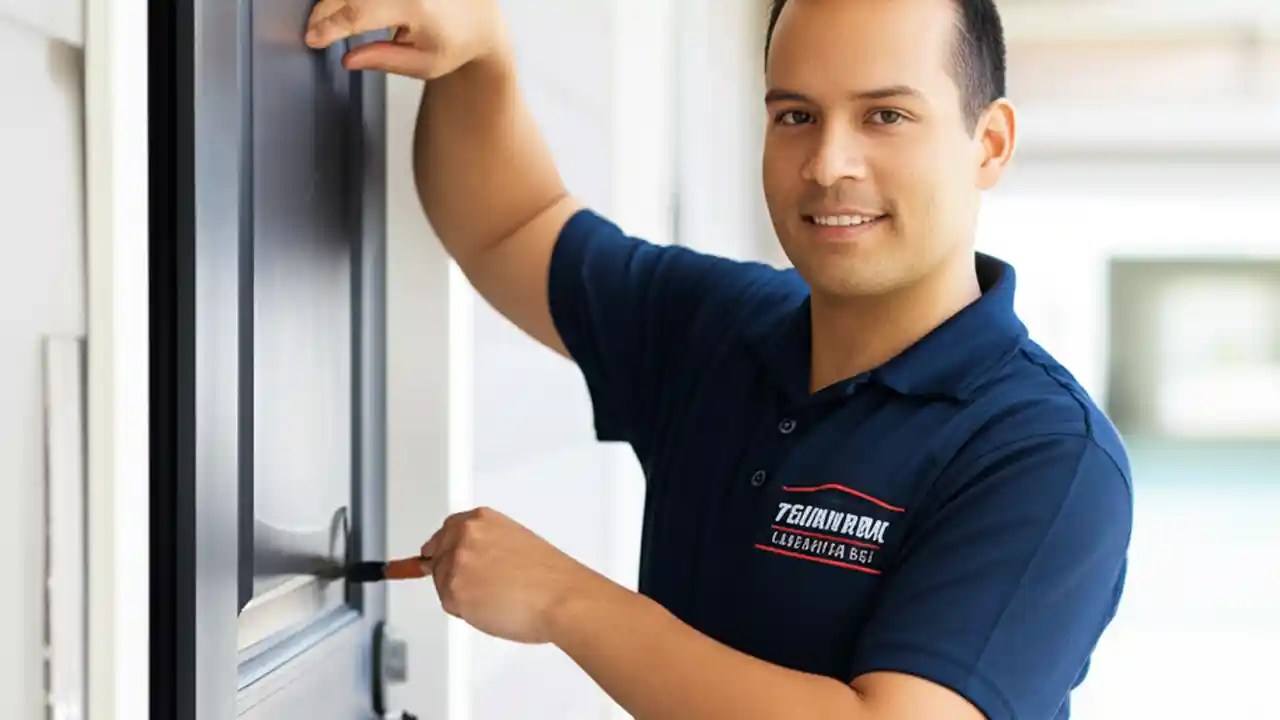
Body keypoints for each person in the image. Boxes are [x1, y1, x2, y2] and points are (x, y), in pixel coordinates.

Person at [306, 0, 1133, 717]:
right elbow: (510, 227)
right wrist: (480, 52)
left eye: (885, 115)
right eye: (795, 115)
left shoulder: (1045, 457)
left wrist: (566, 601)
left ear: (989, 142)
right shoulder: (723, 329)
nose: (827, 163)